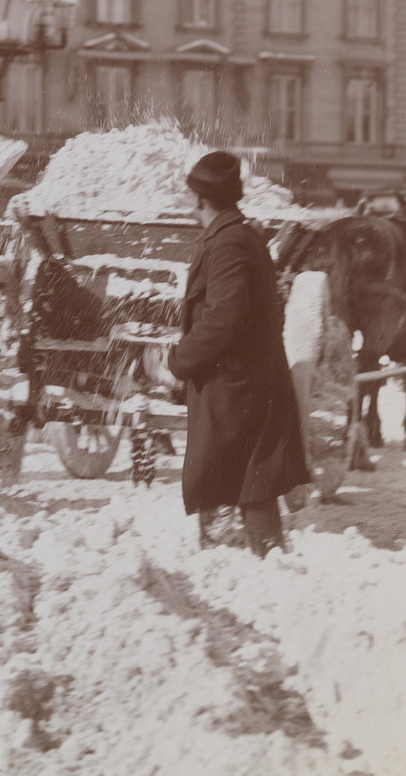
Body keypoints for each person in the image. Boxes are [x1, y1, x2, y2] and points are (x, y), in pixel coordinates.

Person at [144, 151, 311, 556]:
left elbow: (223, 318)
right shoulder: (235, 234)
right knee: (238, 478)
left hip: (239, 387)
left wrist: (175, 362)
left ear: (200, 199)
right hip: (238, 383)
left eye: (191, 195)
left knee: (237, 478)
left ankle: (252, 566)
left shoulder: (229, 242)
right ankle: (249, 564)